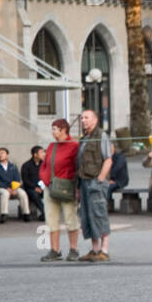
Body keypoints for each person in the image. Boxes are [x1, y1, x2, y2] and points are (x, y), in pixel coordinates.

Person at [39, 119, 81, 261]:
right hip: (50, 186)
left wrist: (76, 186)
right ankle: (54, 250)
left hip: (67, 186)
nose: (52, 131)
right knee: (51, 220)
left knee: (71, 218)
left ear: (63, 130)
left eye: (55, 129)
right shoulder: (52, 146)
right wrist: (45, 179)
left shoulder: (74, 146)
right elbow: (45, 165)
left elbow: (78, 167)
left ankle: (73, 249)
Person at [75, 109, 113, 262]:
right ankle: (94, 249)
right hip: (84, 181)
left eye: (86, 117)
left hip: (95, 181)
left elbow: (108, 160)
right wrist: (78, 187)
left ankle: (104, 250)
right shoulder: (84, 138)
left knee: (99, 214)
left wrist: (100, 179)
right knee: (87, 216)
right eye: (82, 117)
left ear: (95, 120)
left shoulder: (102, 136)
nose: (83, 120)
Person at [0, 147, 32, 222]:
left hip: (13, 187)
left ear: (7, 155)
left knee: (22, 193)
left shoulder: (13, 166)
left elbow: (17, 179)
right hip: (0, 188)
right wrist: (7, 188)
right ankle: (4, 214)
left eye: (2, 153)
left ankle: (26, 214)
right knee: (5, 193)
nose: (0, 155)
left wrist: (14, 188)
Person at [20, 145, 46, 221]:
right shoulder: (26, 165)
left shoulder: (44, 164)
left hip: (42, 187)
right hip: (30, 188)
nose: (43, 154)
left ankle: (46, 213)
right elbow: (25, 180)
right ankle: (45, 212)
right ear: (35, 154)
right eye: (41, 152)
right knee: (35, 194)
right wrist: (35, 187)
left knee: (50, 193)